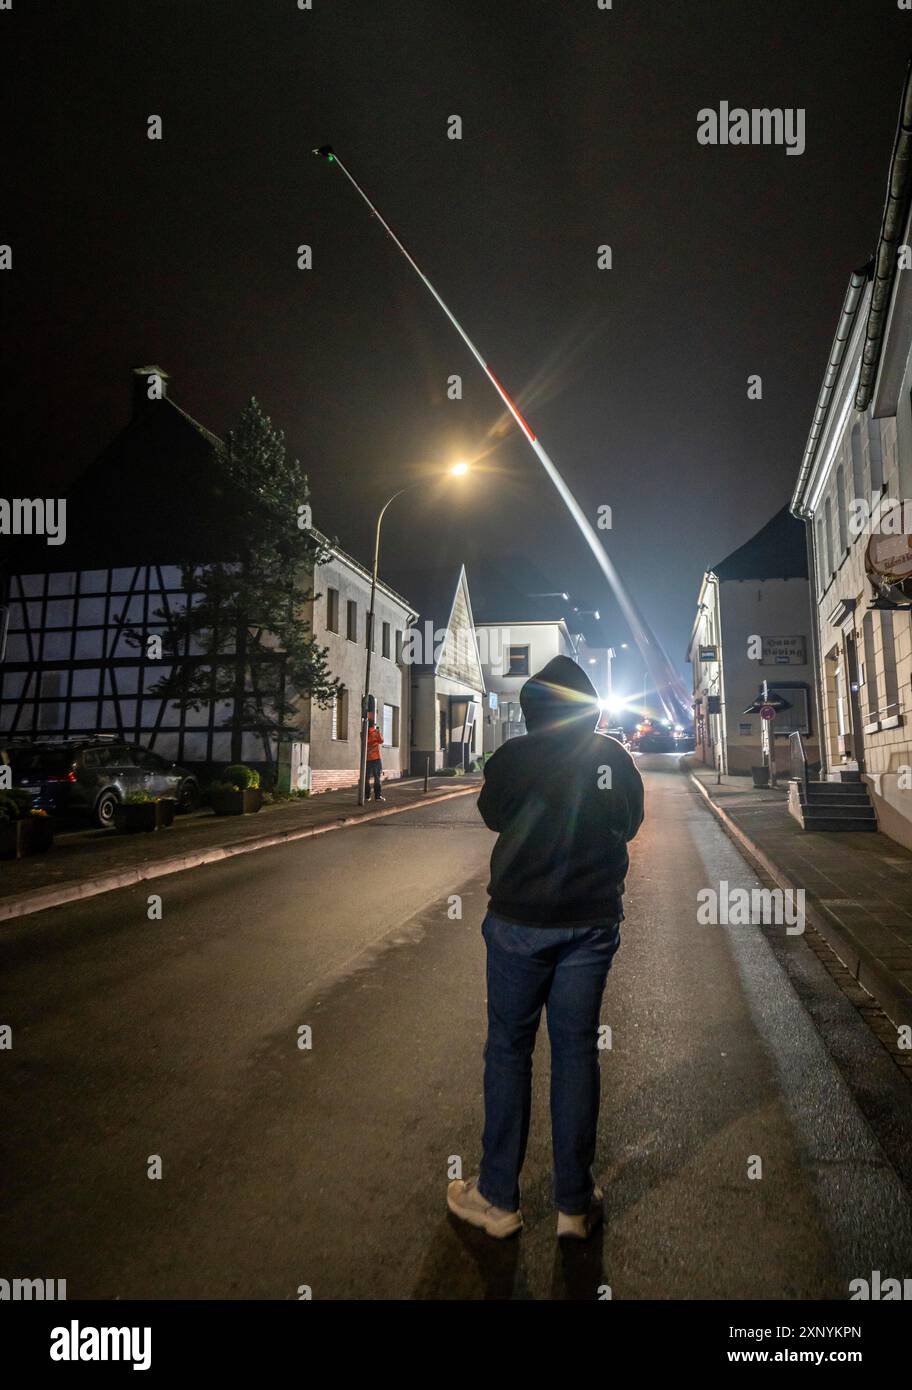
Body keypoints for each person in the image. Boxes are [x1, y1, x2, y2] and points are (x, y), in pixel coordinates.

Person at [447, 655, 644, 1240]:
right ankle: (574, 1205)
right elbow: (630, 822)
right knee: (576, 1052)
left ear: (532, 710)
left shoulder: (511, 757)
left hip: (518, 923)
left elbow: (490, 815)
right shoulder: (611, 756)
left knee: (508, 1049)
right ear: (591, 709)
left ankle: (497, 1198)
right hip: (589, 921)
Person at [366, 713, 384, 801]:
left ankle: (367, 796)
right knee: (377, 777)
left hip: (366, 759)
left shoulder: (364, 732)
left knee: (366, 778)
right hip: (376, 758)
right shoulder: (375, 732)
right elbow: (381, 741)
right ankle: (377, 796)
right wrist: (378, 733)